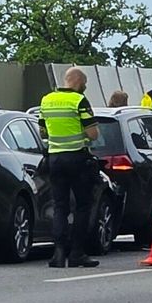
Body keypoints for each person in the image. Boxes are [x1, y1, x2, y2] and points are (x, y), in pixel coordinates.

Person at [38, 66, 100, 269]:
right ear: (78, 81)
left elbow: (43, 133)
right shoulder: (79, 101)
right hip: (76, 159)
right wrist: (80, 135)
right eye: (85, 83)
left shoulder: (46, 100)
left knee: (60, 206)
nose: (85, 86)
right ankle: (77, 253)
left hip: (54, 159)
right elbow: (93, 134)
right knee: (83, 206)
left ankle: (58, 253)